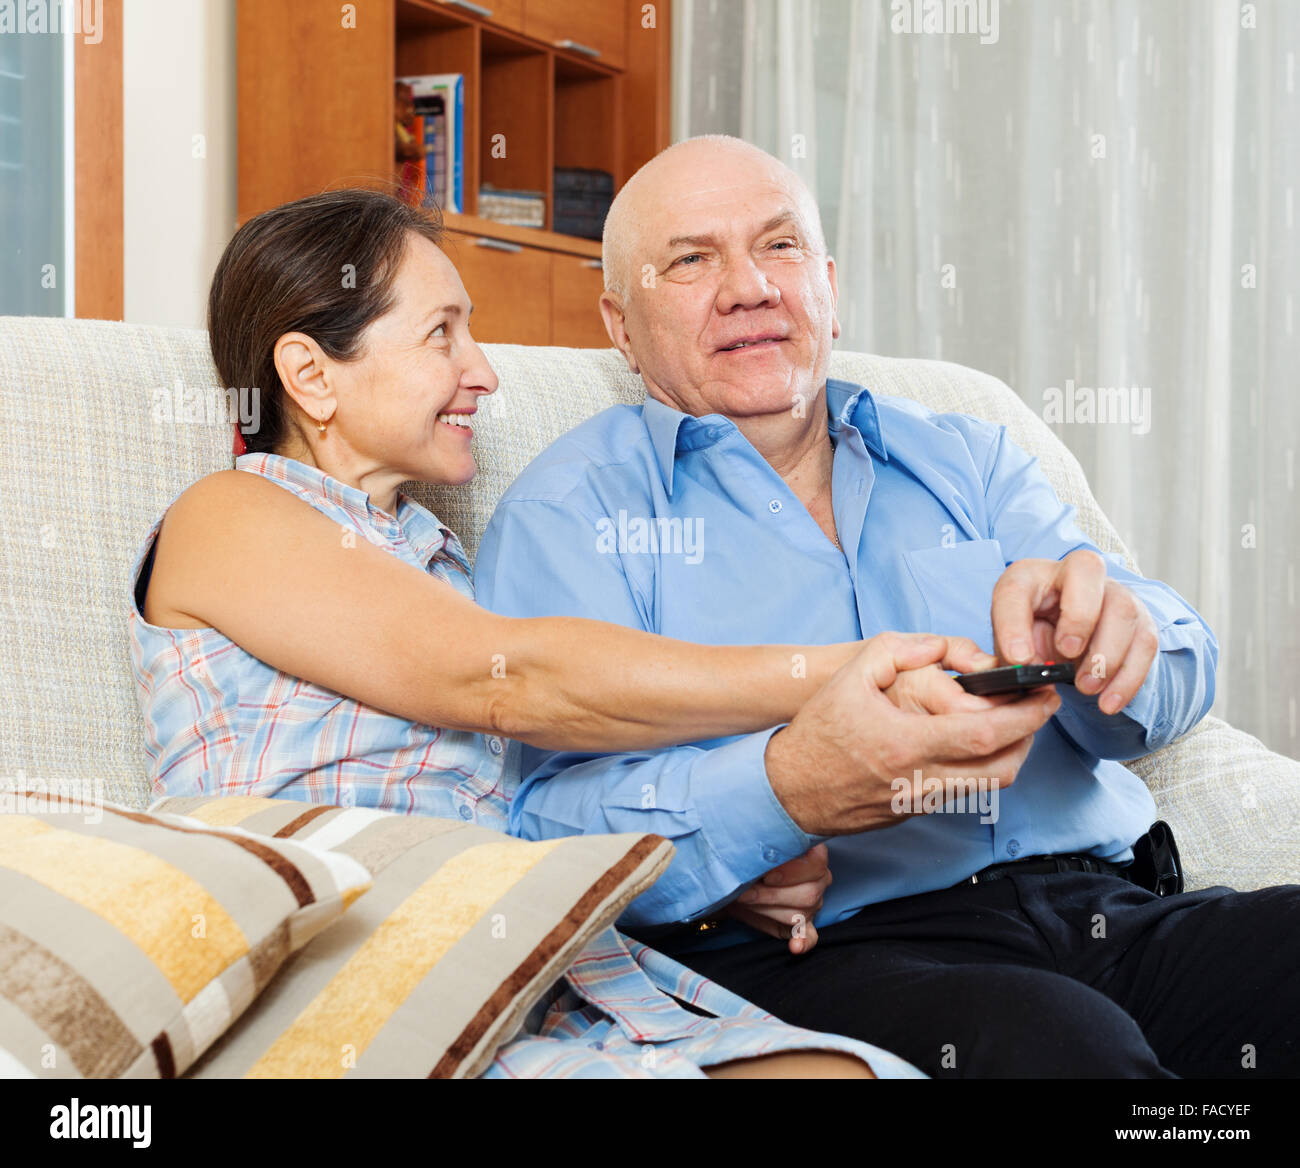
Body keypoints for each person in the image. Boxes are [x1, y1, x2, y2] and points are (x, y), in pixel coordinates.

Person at [127, 187, 1050, 1079]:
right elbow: (513, 682)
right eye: (442, 332)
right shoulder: (230, 514)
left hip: (538, 967)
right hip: (353, 980)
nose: (483, 370)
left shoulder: (437, 557)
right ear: (310, 375)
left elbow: (546, 796)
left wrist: (725, 875)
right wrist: (849, 670)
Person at [474, 134, 1300, 1078]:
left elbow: (1169, 655)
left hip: (1114, 906)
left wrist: (1119, 638)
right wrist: (777, 792)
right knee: (1067, 1054)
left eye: (778, 247)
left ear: (827, 284)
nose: (749, 287)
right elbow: (539, 823)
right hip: (851, 952)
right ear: (620, 326)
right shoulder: (572, 511)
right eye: (693, 260)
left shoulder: (969, 454)